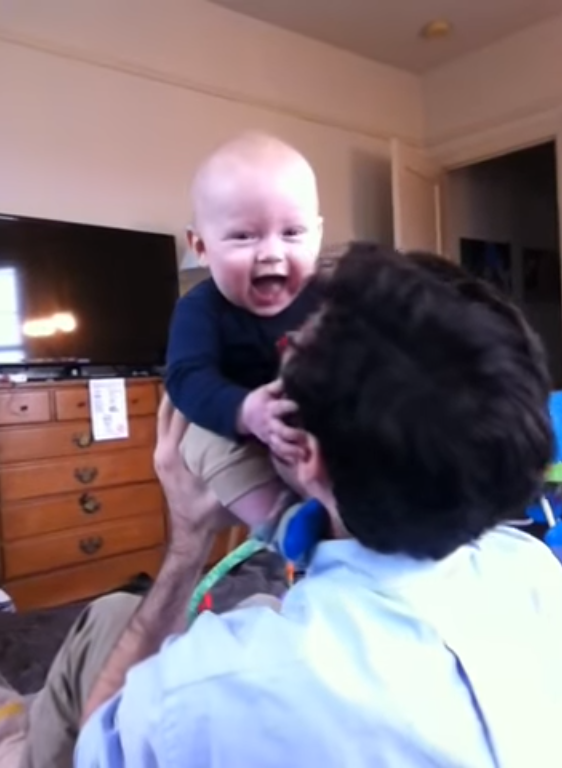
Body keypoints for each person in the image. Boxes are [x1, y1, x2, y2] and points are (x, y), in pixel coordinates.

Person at [5, 242, 562, 767]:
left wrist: (186, 546)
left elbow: (100, 743)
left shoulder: (210, 687)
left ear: (309, 455)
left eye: (282, 367)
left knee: (102, 626)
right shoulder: (534, 569)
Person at [166, 131, 324, 530]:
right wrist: (243, 411)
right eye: (243, 235)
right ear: (201, 246)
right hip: (231, 425)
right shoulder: (200, 309)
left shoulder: (328, 297)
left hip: (305, 420)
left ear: (317, 235)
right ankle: (283, 525)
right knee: (202, 443)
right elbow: (186, 379)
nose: (271, 252)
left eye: (292, 233)